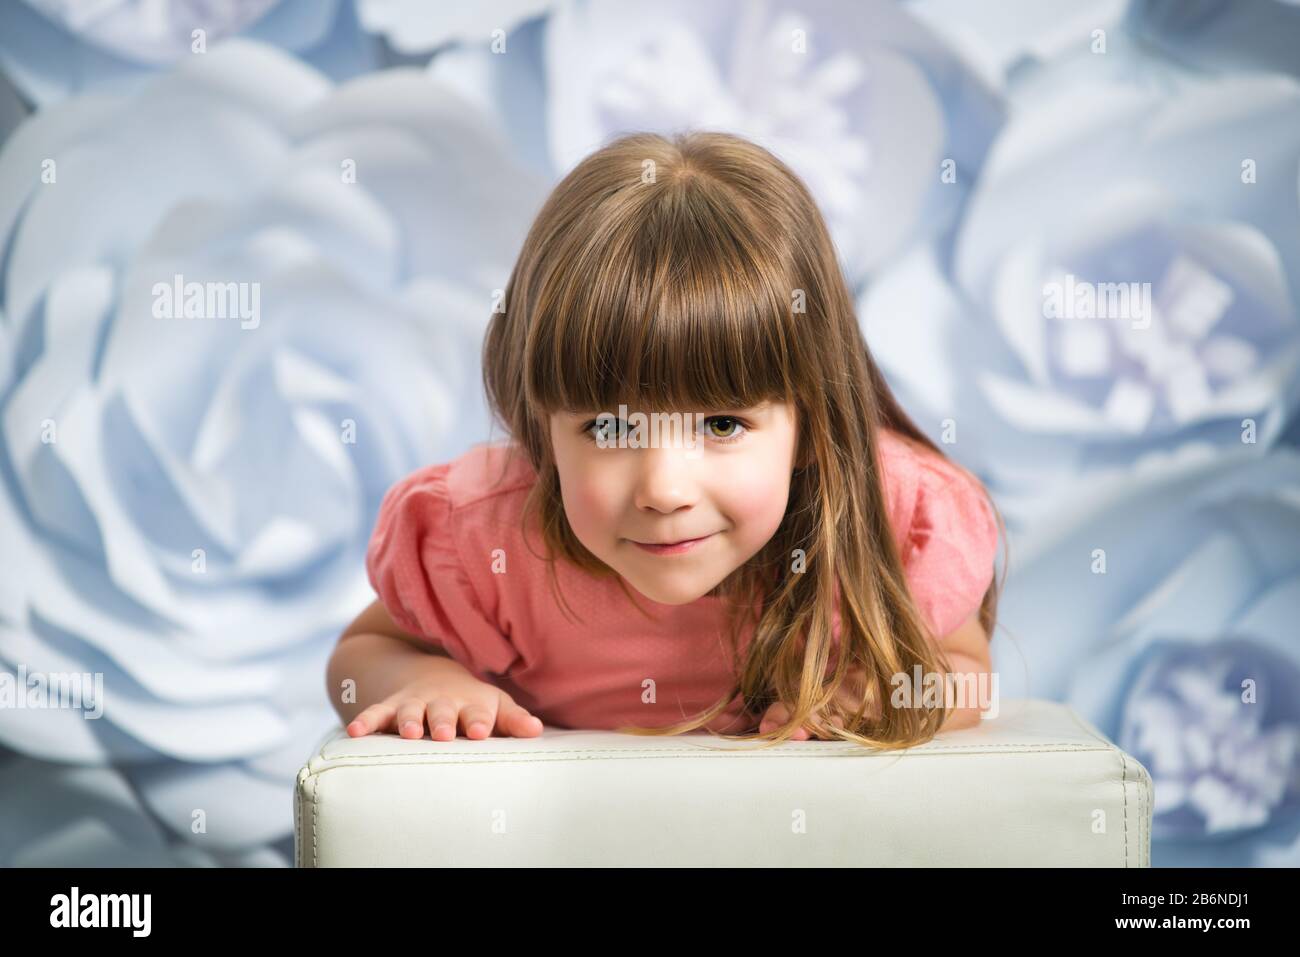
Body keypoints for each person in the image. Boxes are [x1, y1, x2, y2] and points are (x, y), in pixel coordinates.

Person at [327, 130, 1007, 751]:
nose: (663, 489)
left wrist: (887, 695)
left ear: (810, 422)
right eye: (610, 427)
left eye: (721, 424)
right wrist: (426, 680)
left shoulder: (886, 515)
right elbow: (362, 653)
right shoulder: (490, 538)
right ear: (543, 432)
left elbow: (968, 672)